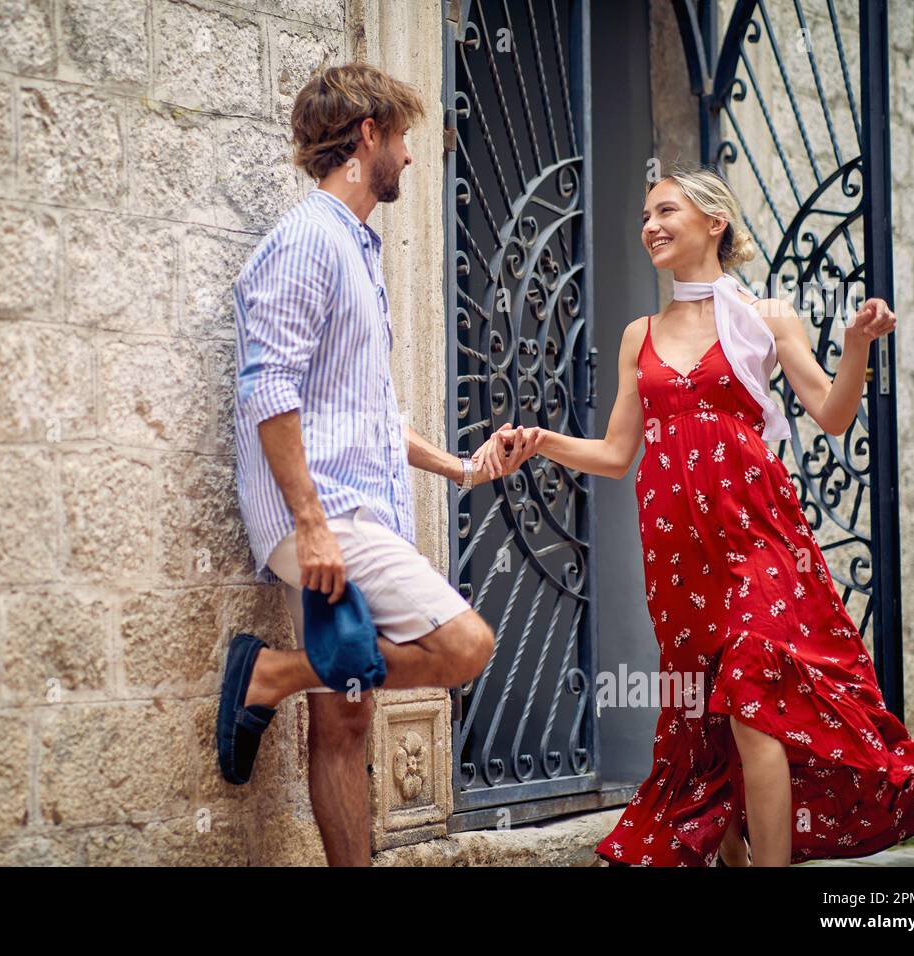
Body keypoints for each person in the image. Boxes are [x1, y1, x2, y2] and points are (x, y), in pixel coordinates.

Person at [475, 163, 914, 866]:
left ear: (714, 221)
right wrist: (542, 442)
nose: (650, 226)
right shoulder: (639, 335)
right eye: (645, 216)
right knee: (707, 718)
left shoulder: (764, 318)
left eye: (666, 211)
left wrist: (855, 347)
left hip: (758, 537)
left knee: (755, 701)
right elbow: (616, 453)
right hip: (677, 551)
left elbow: (830, 413)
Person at [217, 63, 523, 866]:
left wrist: (458, 468)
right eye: (403, 139)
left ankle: (294, 685)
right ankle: (271, 675)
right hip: (327, 518)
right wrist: (311, 525)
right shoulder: (309, 240)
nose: (410, 158)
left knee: (347, 713)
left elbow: (369, 415)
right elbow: (266, 388)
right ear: (367, 138)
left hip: (353, 510)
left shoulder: (355, 248)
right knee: (465, 646)